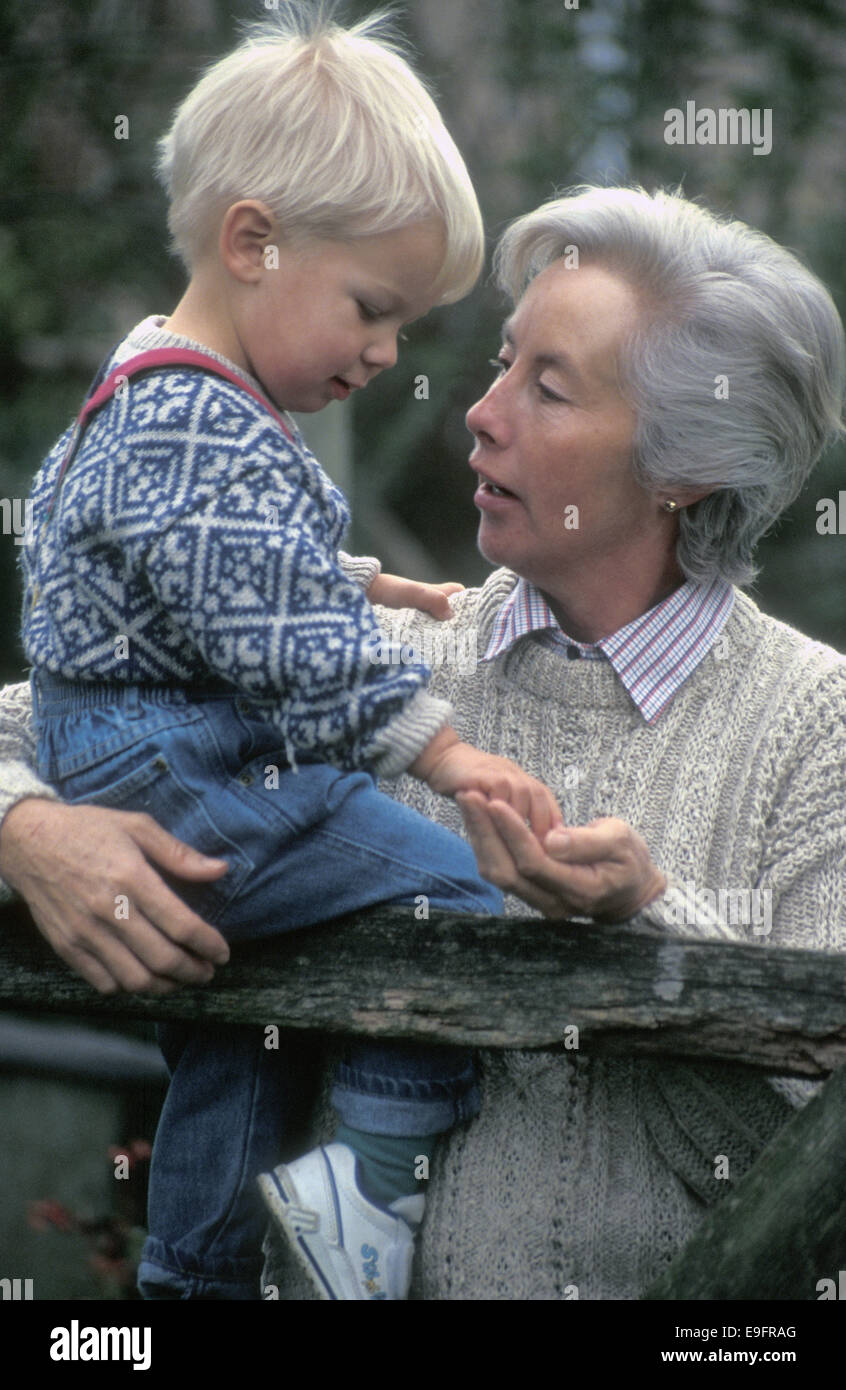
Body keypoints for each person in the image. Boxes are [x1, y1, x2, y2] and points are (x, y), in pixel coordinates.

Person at [3, 181, 845, 1299]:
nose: (481, 411)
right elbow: (39, 715)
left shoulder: (818, 729)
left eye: (547, 388)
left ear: (685, 470)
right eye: (502, 361)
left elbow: (819, 1146)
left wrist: (646, 922)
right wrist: (28, 829)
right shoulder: (362, 658)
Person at [13, 4, 564, 1303]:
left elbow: (189, 569)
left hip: (123, 766)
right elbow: (281, 634)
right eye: (372, 311)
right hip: (191, 770)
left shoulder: (152, 391)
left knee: (240, 1025)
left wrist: (363, 577)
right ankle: (362, 1199)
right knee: (451, 903)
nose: (382, 355)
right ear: (253, 241)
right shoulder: (204, 427)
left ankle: (189, 1273)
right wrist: (445, 747)